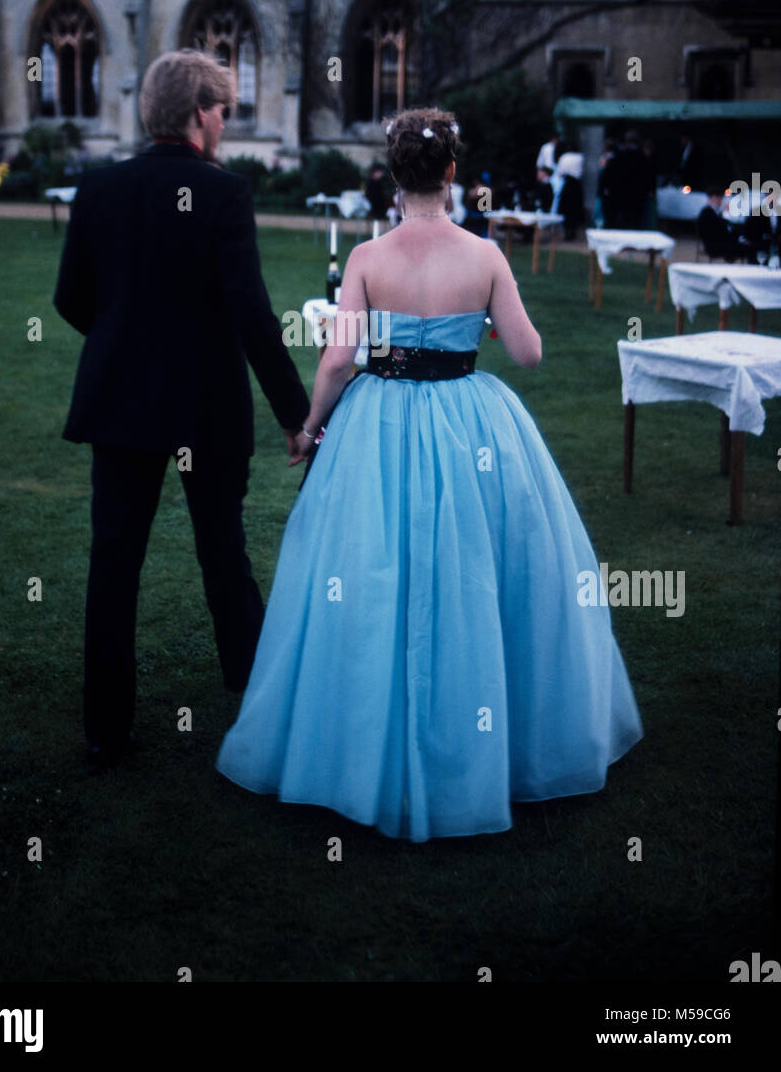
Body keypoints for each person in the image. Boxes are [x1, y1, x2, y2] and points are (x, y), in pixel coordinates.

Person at [216, 107, 643, 841]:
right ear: (451, 174)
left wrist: (312, 426)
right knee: (484, 567)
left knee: (369, 569)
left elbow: (338, 360)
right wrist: (481, 315)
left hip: (376, 419)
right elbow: (528, 352)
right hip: (468, 417)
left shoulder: (367, 258)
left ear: (391, 175)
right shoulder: (484, 257)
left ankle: (359, 740)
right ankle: (491, 734)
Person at [54, 49, 310, 773]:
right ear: (199, 112)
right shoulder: (223, 193)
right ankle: (255, 690)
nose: (226, 120)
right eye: (222, 108)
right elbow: (254, 317)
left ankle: (105, 731)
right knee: (221, 550)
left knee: (114, 563)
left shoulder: (99, 188)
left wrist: (122, 342)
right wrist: (295, 415)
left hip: (122, 401)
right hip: (204, 404)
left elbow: (70, 300)